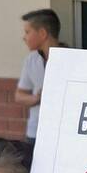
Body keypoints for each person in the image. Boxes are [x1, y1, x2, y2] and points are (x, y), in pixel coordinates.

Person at [16, 8, 62, 140]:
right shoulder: (31, 60)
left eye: (27, 32)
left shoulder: (69, 59)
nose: (24, 37)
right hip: (35, 132)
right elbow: (19, 95)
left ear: (42, 33)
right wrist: (37, 98)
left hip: (60, 132)